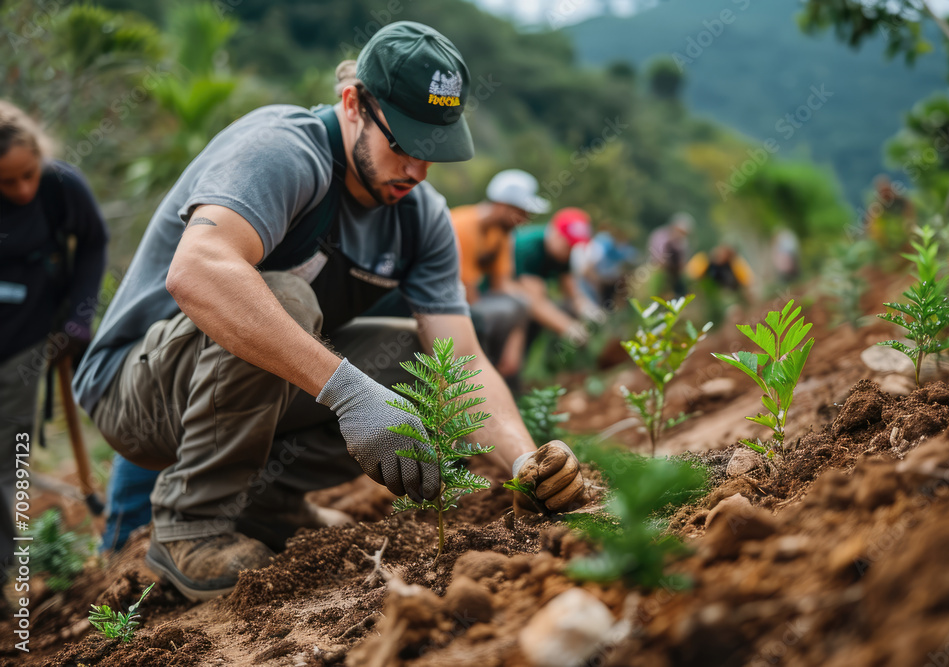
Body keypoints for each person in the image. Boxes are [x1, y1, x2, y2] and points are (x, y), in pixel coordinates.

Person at [72, 21, 587, 602]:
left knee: (425, 362)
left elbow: (462, 362)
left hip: (239, 393)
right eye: (403, 145)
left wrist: (524, 459)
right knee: (286, 300)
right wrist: (351, 394)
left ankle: (269, 504)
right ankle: (193, 524)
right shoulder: (283, 151)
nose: (417, 171)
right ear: (352, 104)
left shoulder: (422, 217)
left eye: (432, 152)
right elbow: (197, 271)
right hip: (137, 390)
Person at [0, 101, 109, 598]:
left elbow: (93, 242)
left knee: (6, 458)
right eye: (7, 182)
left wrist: (78, 317)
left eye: (28, 174)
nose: (22, 189)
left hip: (23, 345)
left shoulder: (60, 186)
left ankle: (10, 581)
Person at [450, 169, 548, 377]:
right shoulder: (463, 226)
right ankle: (477, 373)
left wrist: (517, 338)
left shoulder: (501, 233)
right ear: (503, 205)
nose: (525, 219)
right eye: (521, 212)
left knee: (518, 304)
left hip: (471, 301)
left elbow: (502, 284)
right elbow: (467, 293)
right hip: (448, 305)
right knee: (496, 314)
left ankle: (505, 373)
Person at [511, 207, 600, 347]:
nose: (570, 251)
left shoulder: (563, 254)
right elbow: (535, 303)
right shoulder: (529, 247)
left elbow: (572, 294)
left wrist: (587, 309)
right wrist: (568, 327)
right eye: (568, 245)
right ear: (555, 234)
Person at [647, 212, 692, 297]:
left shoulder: (682, 243)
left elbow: (682, 262)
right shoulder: (660, 236)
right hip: (657, 270)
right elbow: (658, 257)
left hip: (674, 275)